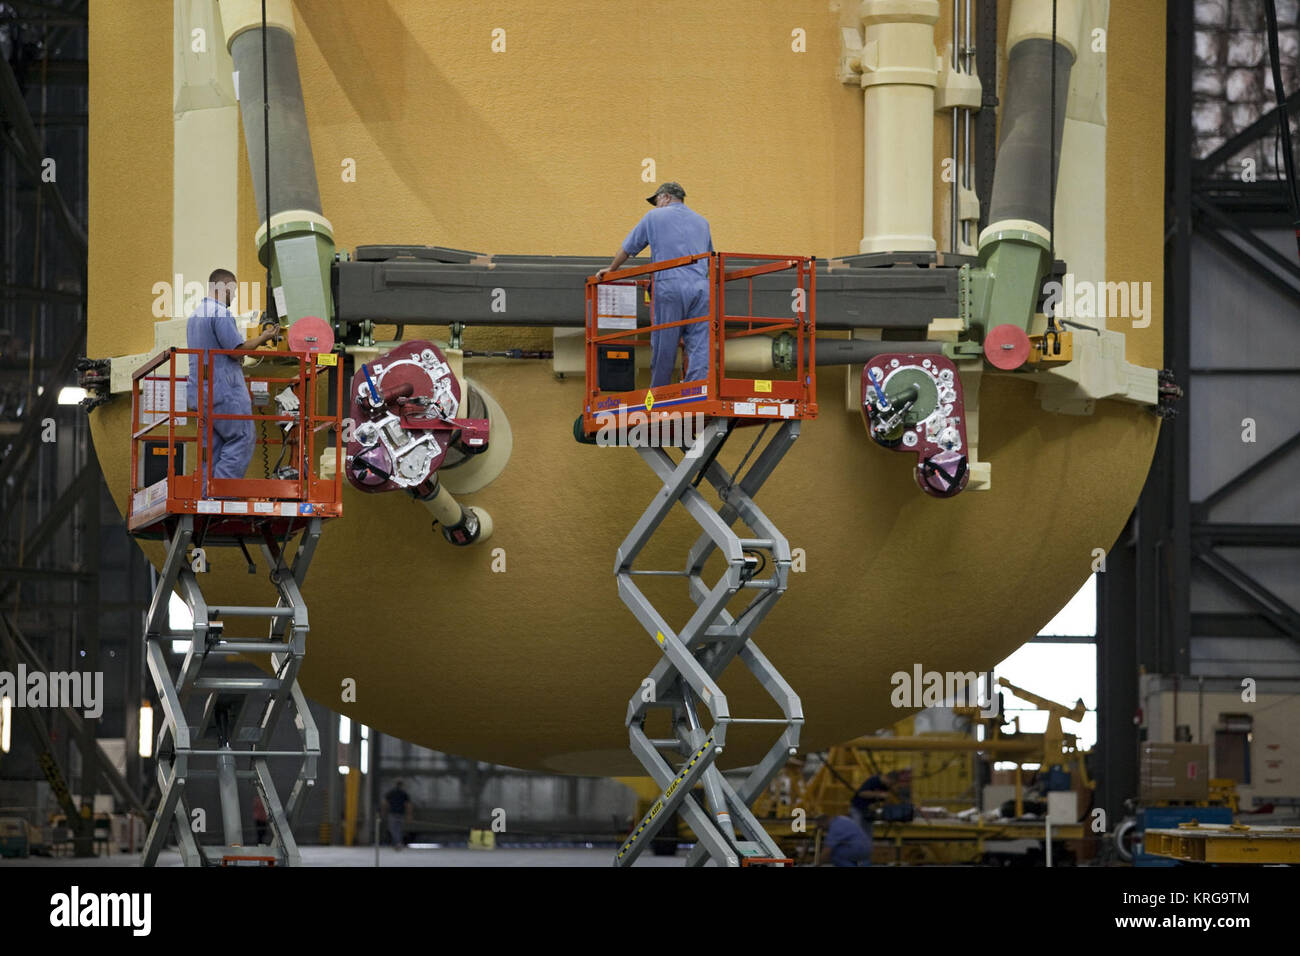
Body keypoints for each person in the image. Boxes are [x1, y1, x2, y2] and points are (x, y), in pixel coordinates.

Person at [595, 182, 713, 388]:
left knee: (664, 340)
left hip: (670, 284)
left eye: (656, 200)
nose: (656, 206)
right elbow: (710, 258)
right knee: (700, 341)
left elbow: (629, 247)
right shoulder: (702, 222)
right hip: (701, 287)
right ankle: (698, 388)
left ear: (665, 197)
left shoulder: (654, 217)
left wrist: (612, 269)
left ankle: (660, 391)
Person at [185, 268, 278, 488]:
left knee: (213, 446)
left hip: (199, 392)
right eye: (233, 290)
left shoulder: (195, 315)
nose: (234, 296)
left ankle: (206, 494)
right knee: (242, 437)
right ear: (224, 287)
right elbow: (236, 350)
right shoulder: (220, 313)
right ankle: (222, 492)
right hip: (223, 391)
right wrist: (263, 337)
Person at [821, 794, 874, 867]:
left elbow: (827, 850)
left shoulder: (834, 827)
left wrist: (818, 863)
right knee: (855, 857)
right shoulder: (842, 819)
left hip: (858, 849)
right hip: (868, 848)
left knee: (835, 854)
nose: (821, 829)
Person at [383, 780, 412, 850]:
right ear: (401, 785)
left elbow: (385, 803)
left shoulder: (391, 793)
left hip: (392, 813)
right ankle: (398, 842)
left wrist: (384, 812)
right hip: (400, 813)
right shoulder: (404, 793)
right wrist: (409, 815)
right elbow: (408, 805)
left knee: (393, 829)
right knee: (399, 829)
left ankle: (397, 842)